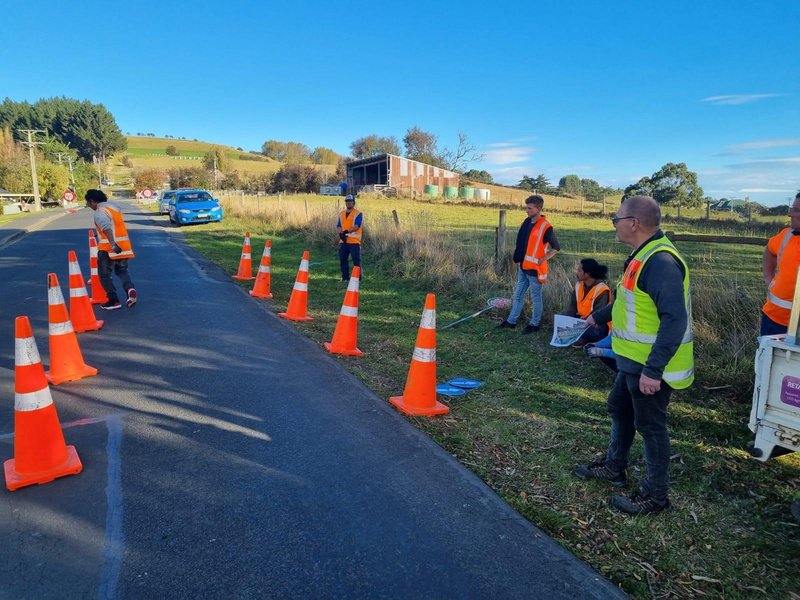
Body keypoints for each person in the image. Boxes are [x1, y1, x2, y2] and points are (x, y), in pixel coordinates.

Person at [574, 196, 694, 515]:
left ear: (633, 223)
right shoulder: (641, 255)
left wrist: (653, 371)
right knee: (618, 407)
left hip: (650, 365)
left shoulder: (660, 262)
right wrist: (596, 317)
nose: (614, 224)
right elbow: (630, 299)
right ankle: (615, 468)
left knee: (651, 425)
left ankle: (656, 496)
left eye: (616, 219)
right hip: (631, 361)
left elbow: (674, 319)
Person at [496, 195, 560, 333]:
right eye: (526, 207)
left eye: (530, 208)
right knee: (518, 295)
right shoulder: (526, 222)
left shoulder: (546, 226)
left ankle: (534, 324)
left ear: (539, 208)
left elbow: (556, 247)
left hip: (535, 270)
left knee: (536, 298)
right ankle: (511, 321)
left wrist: (542, 259)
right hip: (523, 267)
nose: (527, 210)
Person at [84, 189, 137, 310]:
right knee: (122, 271)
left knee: (104, 274)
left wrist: (112, 243)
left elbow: (106, 227)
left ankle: (113, 300)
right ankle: (130, 289)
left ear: (92, 201)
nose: (89, 206)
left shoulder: (100, 212)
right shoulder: (114, 210)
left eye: (88, 204)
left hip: (108, 249)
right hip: (124, 248)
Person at [761, 193, 800, 336]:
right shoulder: (786, 235)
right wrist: (769, 279)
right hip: (774, 321)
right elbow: (769, 250)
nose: (790, 214)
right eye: (792, 208)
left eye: (797, 210)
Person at [564, 258, 611, 345]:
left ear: (587, 274)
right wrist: (565, 320)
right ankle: (580, 337)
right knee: (562, 323)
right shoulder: (579, 285)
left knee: (585, 333)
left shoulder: (601, 290)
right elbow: (572, 306)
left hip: (597, 323)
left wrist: (576, 327)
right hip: (583, 319)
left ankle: (588, 339)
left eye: (579, 270)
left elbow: (597, 315)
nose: (577, 273)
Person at [337, 194, 363, 282]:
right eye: (347, 201)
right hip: (343, 241)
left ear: (353, 203)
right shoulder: (341, 213)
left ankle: (357, 278)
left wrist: (345, 232)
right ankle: (345, 278)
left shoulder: (358, 214)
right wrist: (341, 233)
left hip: (354, 242)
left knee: (356, 261)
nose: (348, 203)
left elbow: (357, 226)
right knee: (343, 259)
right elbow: (338, 225)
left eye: (350, 201)